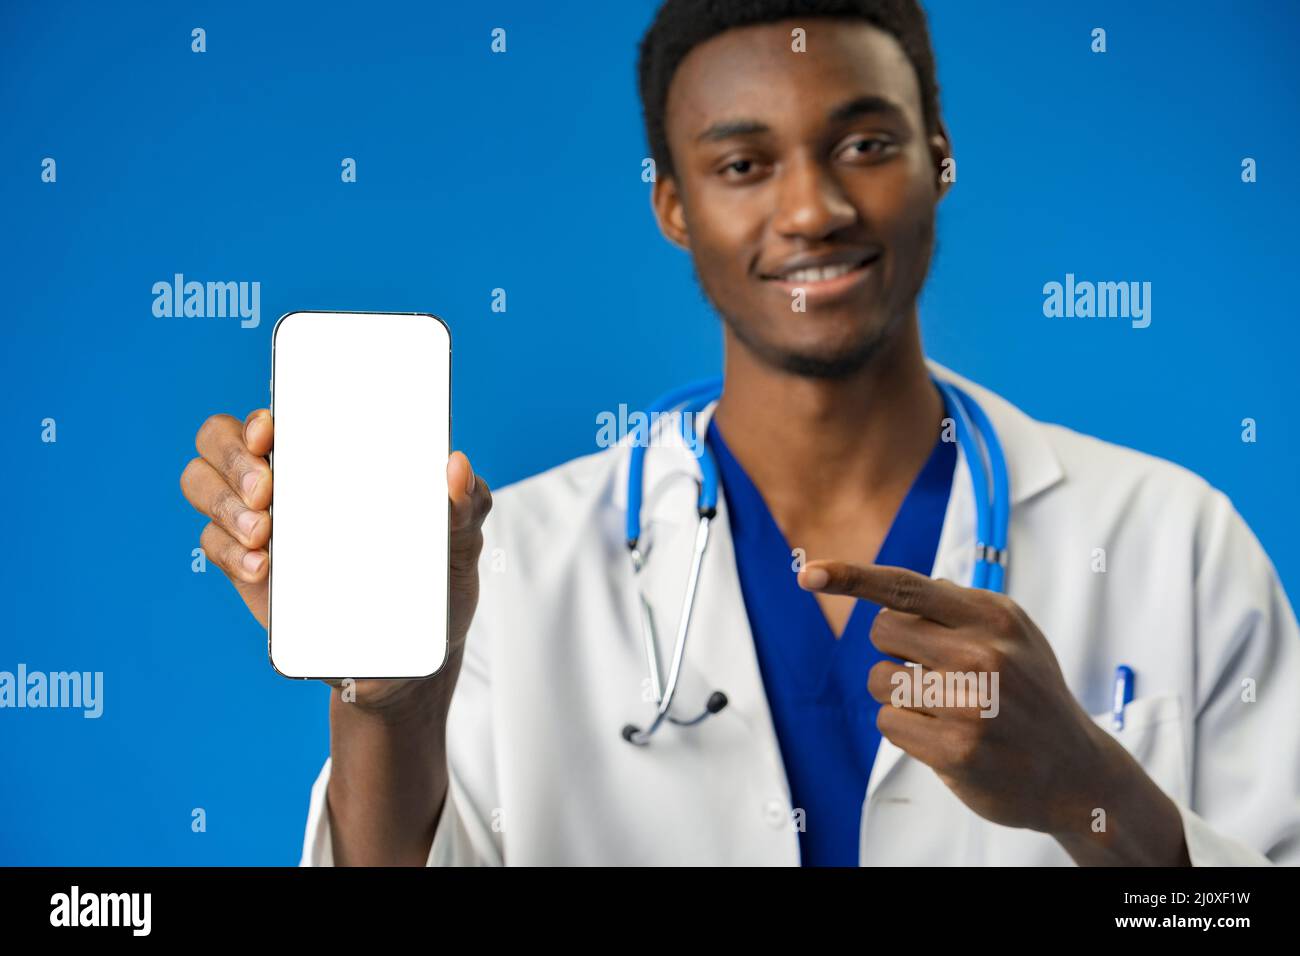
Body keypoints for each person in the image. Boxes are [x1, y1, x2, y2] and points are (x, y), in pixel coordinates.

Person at [179, 0, 1300, 865]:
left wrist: (1088, 794)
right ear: (672, 203)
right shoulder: (511, 561)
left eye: (864, 144)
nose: (811, 209)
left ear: (938, 161)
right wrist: (392, 696)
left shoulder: (1175, 539)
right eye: (742, 164)